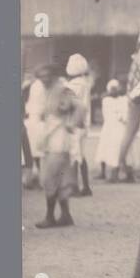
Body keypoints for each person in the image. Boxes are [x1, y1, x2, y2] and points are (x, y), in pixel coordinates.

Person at [34, 76, 86, 229]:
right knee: (60, 180)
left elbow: (80, 107)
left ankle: (50, 216)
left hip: (59, 140)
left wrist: (72, 123)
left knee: (50, 178)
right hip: (54, 139)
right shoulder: (51, 91)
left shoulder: (62, 90)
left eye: (45, 74)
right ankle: (65, 215)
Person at [65, 53, 93, 196]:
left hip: (74, 122)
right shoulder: (85, 83)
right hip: (84, 122)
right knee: (81, 154)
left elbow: (70, 105)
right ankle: (86, 186)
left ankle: (74, 187)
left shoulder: (72, 85)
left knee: (74, 155)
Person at [96, 79, 130, 183]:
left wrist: (121, 116)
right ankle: (103, 172)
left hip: (119, 128)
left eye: (116, 88)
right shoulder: (106, 100)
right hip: (109, 128)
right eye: (112, 89)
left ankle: (122, 174)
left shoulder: (123, 99)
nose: (114, 91)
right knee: (103, 150)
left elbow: (125, 114)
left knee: (118, 150)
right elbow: (108, 115)